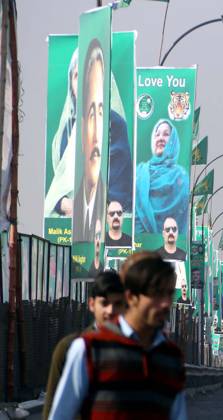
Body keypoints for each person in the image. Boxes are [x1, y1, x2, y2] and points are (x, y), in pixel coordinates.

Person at [49, 253, 187, 419]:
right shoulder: (89, 349)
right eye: (156, 294)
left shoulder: (171, 357)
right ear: (131, 297)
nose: (165, 303)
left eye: (169, 294)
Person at [43, 271, 124, 419]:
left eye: (117, 303)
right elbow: (53, 407)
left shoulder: (136, 352)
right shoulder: (69, 348)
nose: (111, 311)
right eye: (104, 303)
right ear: (92, 304)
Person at [73, 39, 106, 242]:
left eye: (101, 112)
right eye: (91, 114)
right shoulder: (73, 213)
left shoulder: (109, 208)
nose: (95, 136)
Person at [135, 119, 189, 234]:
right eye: (157, 134)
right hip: (140, 246)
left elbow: (182, 215)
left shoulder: (180, 176)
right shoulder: (140, 172)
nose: (160, 138)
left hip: (171, 247)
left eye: (166, 134)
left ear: (173, 140)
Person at [44, 48, 78, 218]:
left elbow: (121, 192)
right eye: (77, 76)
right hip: (64, 225)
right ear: (71, 85)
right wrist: (63, 203)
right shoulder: (65, 131)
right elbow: (58, 184)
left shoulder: (115, 126)